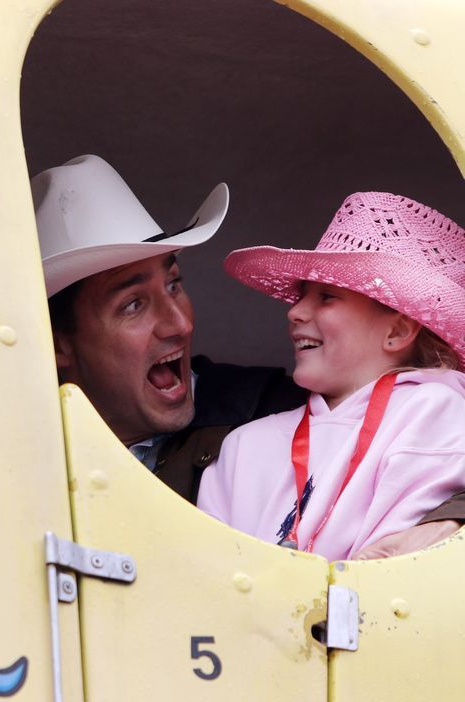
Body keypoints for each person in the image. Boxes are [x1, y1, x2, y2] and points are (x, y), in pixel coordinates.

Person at [32, 155, 464, 559]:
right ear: (57, 346)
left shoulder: (262, 403)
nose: (179, 324)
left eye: (174, 285)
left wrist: (447, 526)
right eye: (133, 305)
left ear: (399, 329)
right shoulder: (18, 460)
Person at [196, 192, 465, 560]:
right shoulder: (242, 446)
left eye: (325, 296)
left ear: (398, 332)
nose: (295, 312)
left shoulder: (433, 410)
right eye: (301, 296)